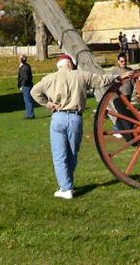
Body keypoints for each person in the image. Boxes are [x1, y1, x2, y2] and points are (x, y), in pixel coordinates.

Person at [30, 54, 117, 200]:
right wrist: (118, 77)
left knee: (59, 155)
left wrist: (48, 104)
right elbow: (102, 80)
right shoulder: (81, 75)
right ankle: (67, 185)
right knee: (72, 153)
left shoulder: (49, 78)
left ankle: (65, 188)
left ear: (59, 66)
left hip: (58, 117)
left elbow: (34, 92)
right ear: (70, 64)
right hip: (75, 118)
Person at [110, 53, 134, 137]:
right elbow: (113, 81)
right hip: (118, 97)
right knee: (123, 115)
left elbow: (134, 83)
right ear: (118, 62)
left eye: (125, 61)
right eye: (122, 61)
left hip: (128, 97)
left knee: (124, 115)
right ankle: (129, 136)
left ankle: (117, 129)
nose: (124, 63)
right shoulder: (115, 71)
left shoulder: (130, 70)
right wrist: (123, 76)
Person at [17, 55, 35, 119]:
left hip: (26, 85)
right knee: (26, 100)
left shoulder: (25, 67)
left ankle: (31, 114)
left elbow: (25, 77)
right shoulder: (25, 66)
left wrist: (22, 85)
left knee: (28, 100)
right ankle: (28, 114)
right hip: (27, 85)